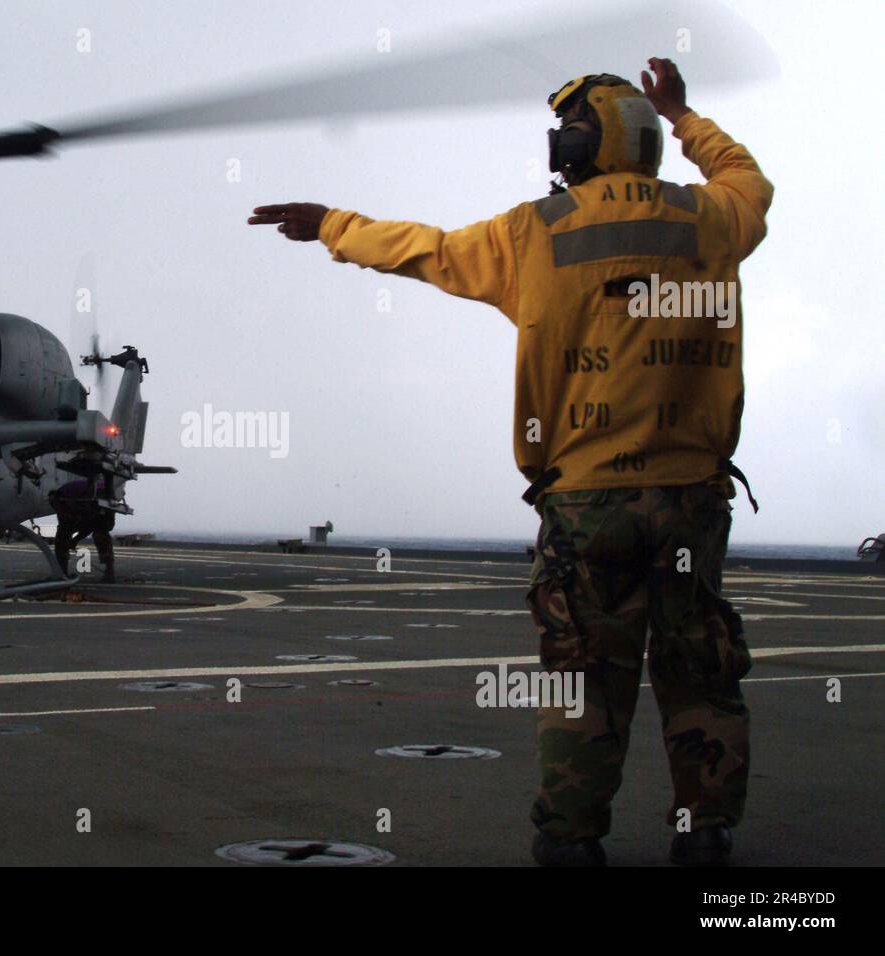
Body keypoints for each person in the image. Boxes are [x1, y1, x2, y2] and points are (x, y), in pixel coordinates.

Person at [249, 58, 772, 867]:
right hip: (690, 502)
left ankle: (571, 841)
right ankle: (706, 832)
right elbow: (747, 177)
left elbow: (422, 250)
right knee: (700, 670)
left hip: (586, 505)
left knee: (582, 681)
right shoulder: (715, 221)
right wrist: (684, 114)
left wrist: (331, 224)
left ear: (573, 145)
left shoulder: (535, 234)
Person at [50, 476, 116, 583]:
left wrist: (75, 540)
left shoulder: (61, 498)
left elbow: (91, 524)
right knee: (101, 532)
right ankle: (109, 572)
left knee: (64, 535)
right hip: (103, 499)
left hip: (100, 500)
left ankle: (63, 572)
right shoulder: (64, 496)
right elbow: (89, 524)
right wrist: (75, 539)